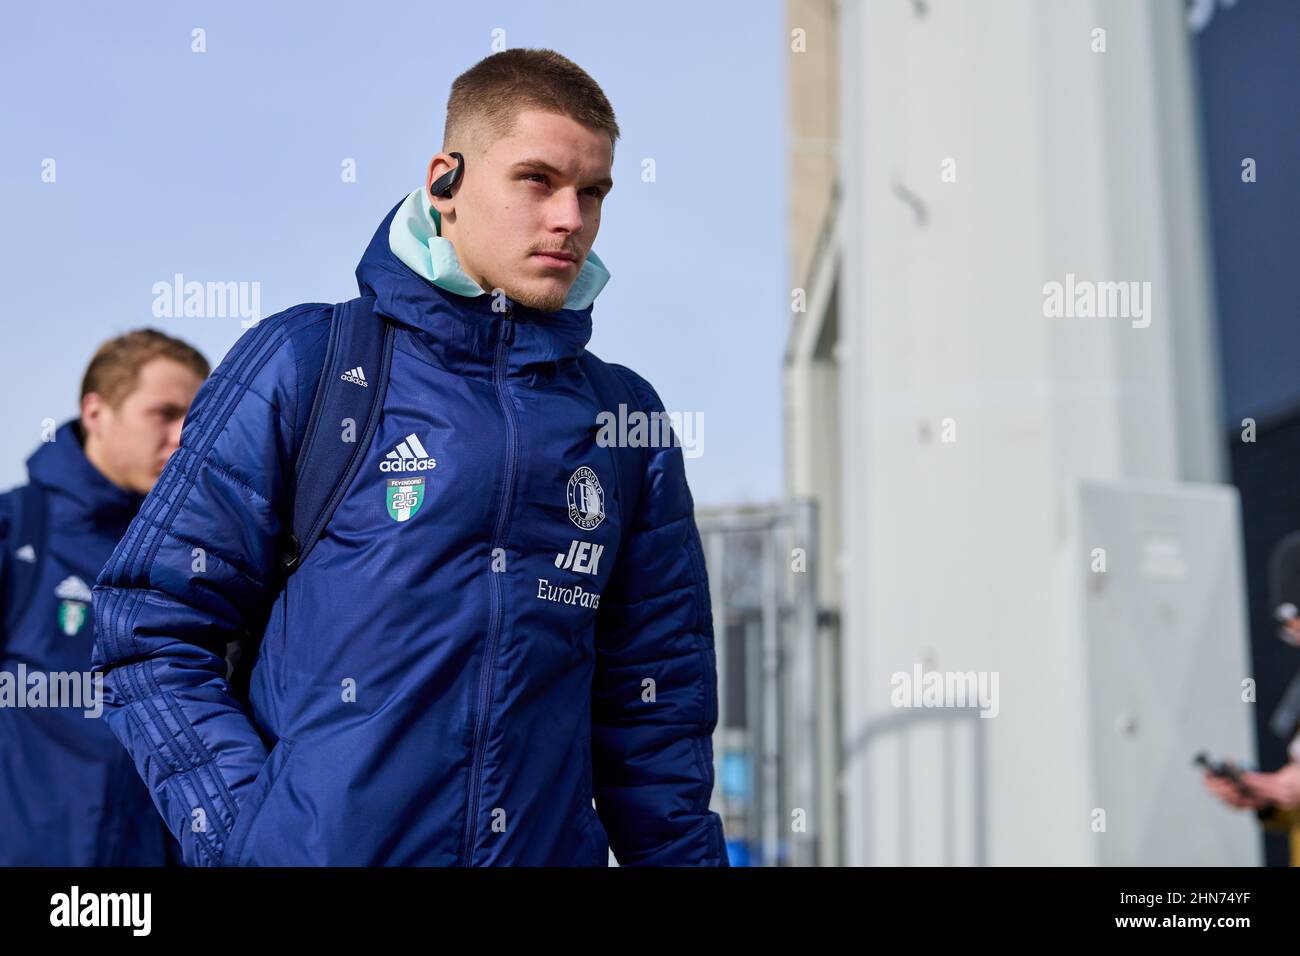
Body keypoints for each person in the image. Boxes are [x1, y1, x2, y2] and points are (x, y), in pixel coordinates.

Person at [91, 48, 728, 866]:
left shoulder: (623, 418)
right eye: (536, 180)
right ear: (446, 182)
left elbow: (657, 716)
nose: (570, 217)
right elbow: (149, 626)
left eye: (593, 191)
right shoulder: (307, 362)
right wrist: (256, 840)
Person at [0, 329, 208, 865]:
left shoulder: (202, 557)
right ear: (96, 412)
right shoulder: (20, 530)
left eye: (196, 416)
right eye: (163, 413)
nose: (183, 435)